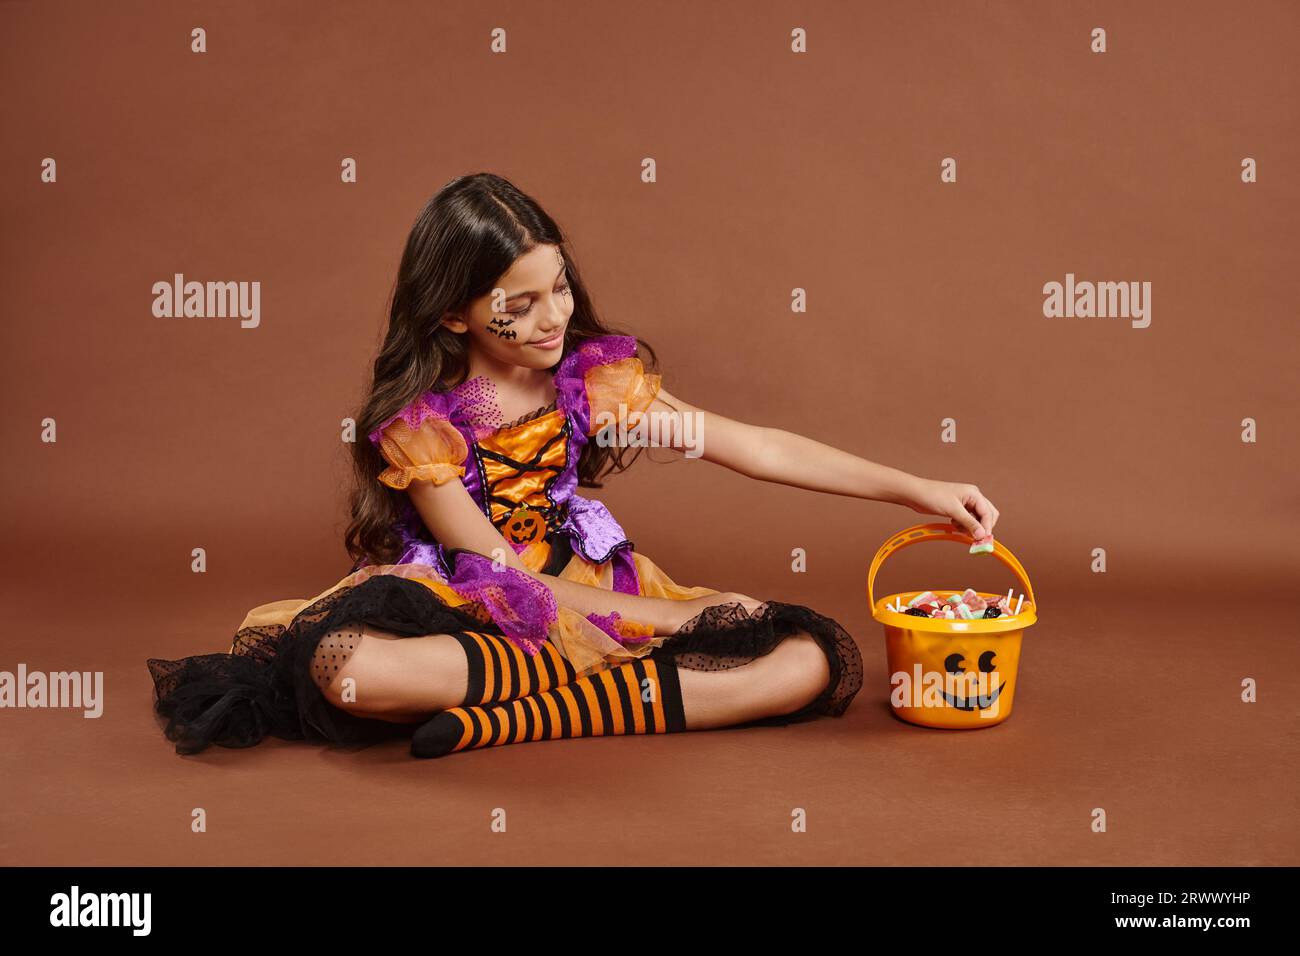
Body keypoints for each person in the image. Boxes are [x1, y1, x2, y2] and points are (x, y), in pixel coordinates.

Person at [147, 172, 1000, 759]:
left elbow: (752, 444)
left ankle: (515, 717)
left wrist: (913, 487)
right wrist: (671, 626)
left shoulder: (589, 380)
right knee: (353, 669)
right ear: (452, 313)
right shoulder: (424, 426)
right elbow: (498, 569)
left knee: (807, 660)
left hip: (591, 578)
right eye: (518, 305)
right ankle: (591, 696)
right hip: (473, 595)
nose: (553, 315)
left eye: (558, 286)